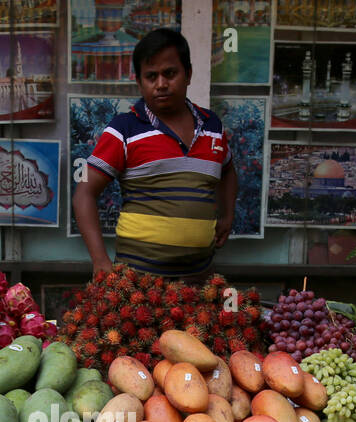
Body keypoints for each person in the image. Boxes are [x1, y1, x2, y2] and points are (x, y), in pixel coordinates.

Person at [73, 27, 238, 279]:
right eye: (151, 76)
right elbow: (84, 193)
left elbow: (227, 170)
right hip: (137, 287)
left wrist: (228, 214)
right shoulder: (124, 129)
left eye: (170, 73)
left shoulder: (212, 126)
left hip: (200, 282)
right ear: (139, 82)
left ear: (189, 74)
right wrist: (100, 260)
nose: (161, 84)